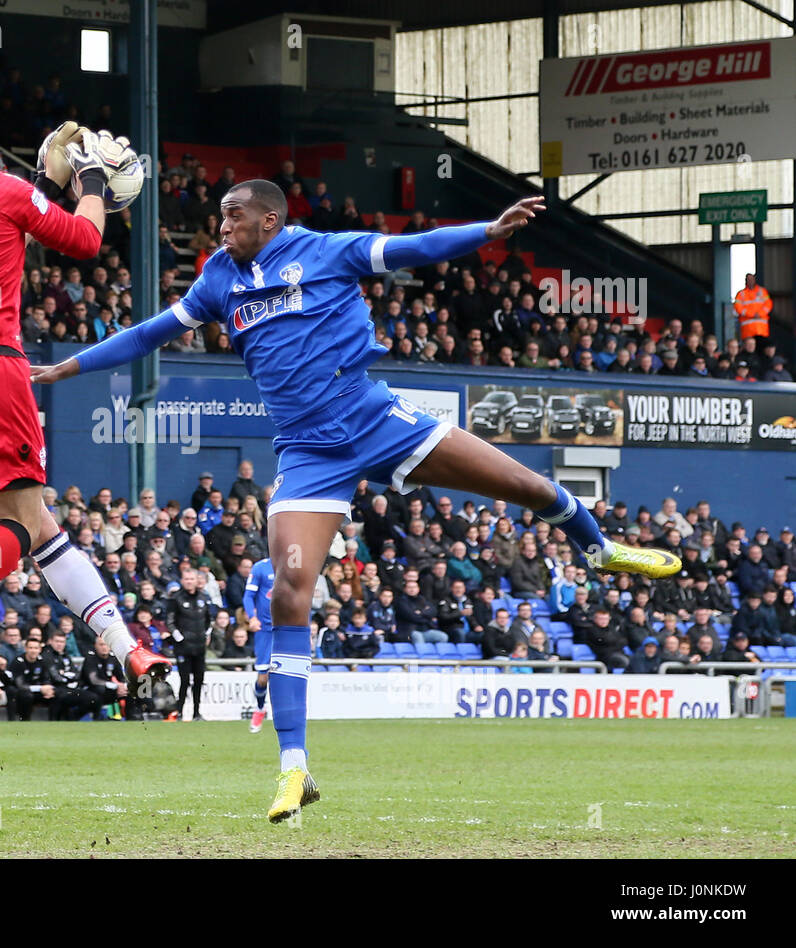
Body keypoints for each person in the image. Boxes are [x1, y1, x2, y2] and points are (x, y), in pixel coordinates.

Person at [33, 182, 681, 822]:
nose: (221, 226)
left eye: (233, 216)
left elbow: (411, 249)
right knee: (290, 589)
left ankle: (600, 551)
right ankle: (294, 767)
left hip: (377, 420)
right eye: (220, 216)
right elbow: (148, 333)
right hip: (309, 455)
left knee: (528, 487)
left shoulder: (321, 250)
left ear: (268, 220)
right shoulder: (217, 280)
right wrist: (70, 368)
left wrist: (484, 233)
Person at [0, 83, 168, 761]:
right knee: (18, 529)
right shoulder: (1, 191)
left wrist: (43, 180)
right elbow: (84, 237)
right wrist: (96, 179)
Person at [166, 569, 212, 721]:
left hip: (199, 646)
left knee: (199, 680)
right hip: (183, 647)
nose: (189, 581)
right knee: (184, 680)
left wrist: (206, 634)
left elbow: (209, 619)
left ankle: (196, 713)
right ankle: (179, 712)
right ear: (182, 580)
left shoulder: (204, 597)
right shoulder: (175, 598)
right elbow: (170, 622)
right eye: (186, 579)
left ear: (196, 580)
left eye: (192, 579)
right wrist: (180, 638)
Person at [242, 555, 275, 732]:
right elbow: (248, 596)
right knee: (263, 677)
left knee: (288, 672)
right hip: (266, 629)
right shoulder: (261, 567)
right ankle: (260, 708)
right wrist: (252, 618)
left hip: (287, 629)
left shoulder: (294, 567)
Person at [78, 636, 129, 719]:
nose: (104, 647)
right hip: (90, 689)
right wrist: (114, 686)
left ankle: (132, 718)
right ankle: (98, 717)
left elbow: (121, 678)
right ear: (95, 646)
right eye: (101, 645)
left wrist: (122, 687)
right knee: (100, 690)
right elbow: (93, 680)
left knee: (129, 692)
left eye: (106, 645)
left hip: (111, 690)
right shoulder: (90, 658)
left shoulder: (113, 658)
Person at [732, 272, 771, 341]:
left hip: (762, 330)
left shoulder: (763, 291)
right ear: (745, 281)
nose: (750, 281)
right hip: (748, 330)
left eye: (751, 279)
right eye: (748, 279)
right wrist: (752, 314)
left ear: (754, 280)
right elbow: (738, 308)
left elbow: (768, 304)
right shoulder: (741, 294)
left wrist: (760, 314)